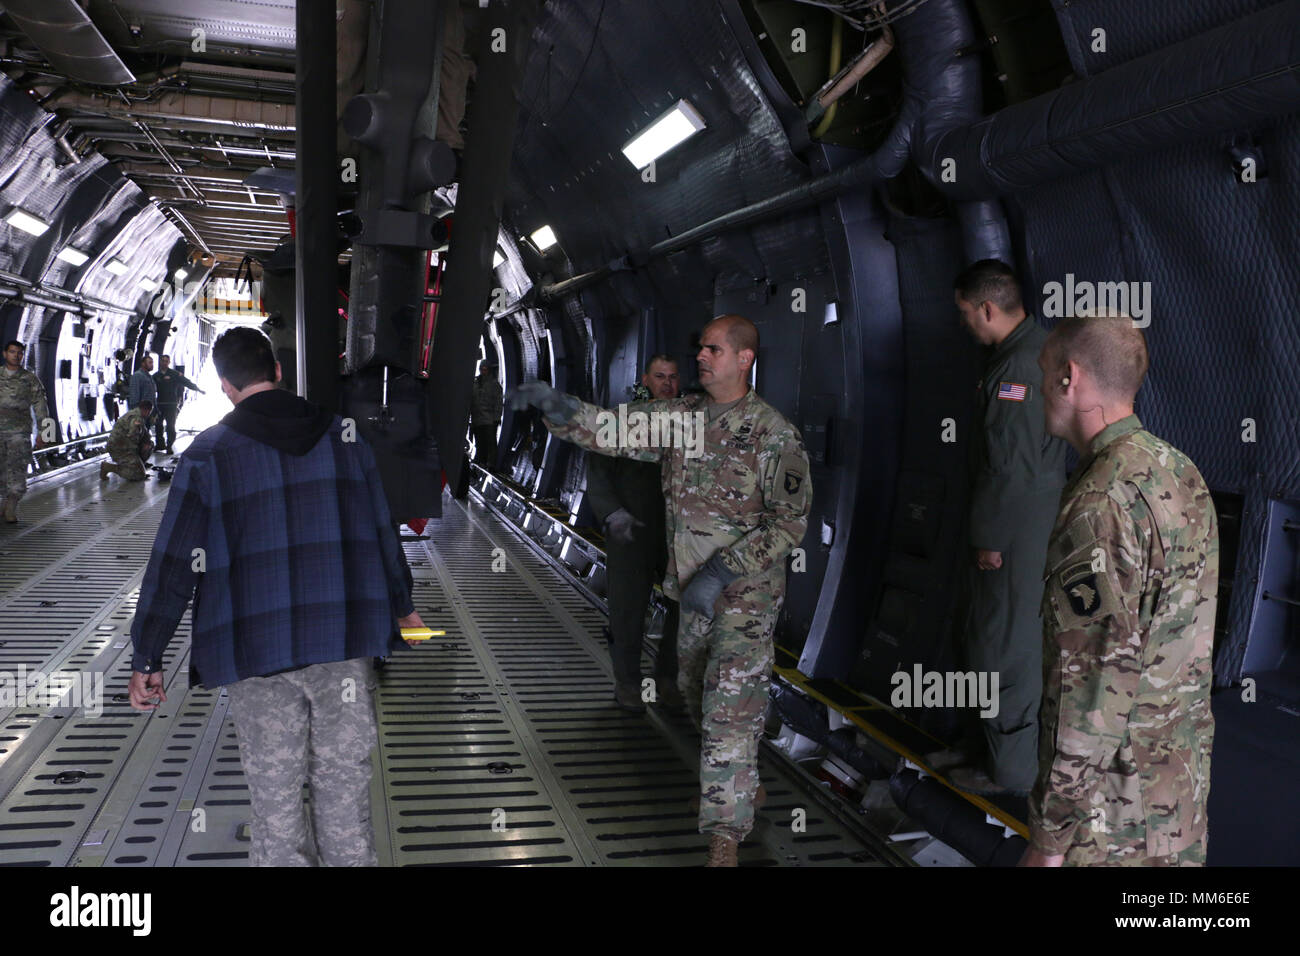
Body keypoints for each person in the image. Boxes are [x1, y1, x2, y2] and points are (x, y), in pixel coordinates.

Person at [511, 315, 811, 867]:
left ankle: (724, 839)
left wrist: (725, 570)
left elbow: (790, 522)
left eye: (713, 349)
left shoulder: (773, 434)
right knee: (701, 701)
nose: (702, 356)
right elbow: (612, 430)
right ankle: (741, 787)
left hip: (743, 601)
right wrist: (557, 405)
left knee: (727, 712)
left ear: (745, 358)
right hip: (691, 597)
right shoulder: (684, 419)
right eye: (700, 346)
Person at [127, 327, 425, 866]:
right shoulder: (345, 437)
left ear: (224, 386)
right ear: (279, 371)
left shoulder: (208, 454)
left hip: (255, 650)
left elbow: (174, 562)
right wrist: (405, 610)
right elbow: (384, 530)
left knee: (275, 804)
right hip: (342, 643)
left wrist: (149, 654)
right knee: (345, 796)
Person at [1020, 314, 1217, 867]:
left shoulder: (1099, 503)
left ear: (1068, 377)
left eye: (1043, 373)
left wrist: (1050, 838)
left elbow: (1092, 687)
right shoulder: (1178, 470)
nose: (1038, 389)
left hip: (1112, 815)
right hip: (1176, 789)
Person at [947, 260, 1069, 794]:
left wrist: (990, 540)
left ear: (987, 309)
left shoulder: (1018, 367)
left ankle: (1013, 774)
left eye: (965, 314)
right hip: (1021, 526)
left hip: (1016, 533)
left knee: (1005, 646)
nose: (964, 324)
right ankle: (985, 747)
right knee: (988, 635)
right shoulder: (1026, 351)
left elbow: (1009, 466)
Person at [585, 355, 682, 712]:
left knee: (682, 610)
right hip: (631, 533)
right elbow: (597, 476)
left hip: (677, 535)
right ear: (646, 379)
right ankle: (627, 683)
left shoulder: (690, 425)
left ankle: (667, 680)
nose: (667, 384)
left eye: (673, 377)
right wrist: (613, 515)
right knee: (627, 611)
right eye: (660, 376)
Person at [0, 340, 51, 523]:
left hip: (19, 432)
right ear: (5, 354)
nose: (16, 355)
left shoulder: (30, 379)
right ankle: (4, 502)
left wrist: (45, 434)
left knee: (18, 468)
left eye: (19, 353)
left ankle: (12, 505)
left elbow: (41, 406)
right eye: (12, 352)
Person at [152, 355, 203, 452]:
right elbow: (150, 389)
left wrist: (197, 389)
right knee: (158, 425)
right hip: (160, 404)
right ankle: (160, 444)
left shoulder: (174, 374)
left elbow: (186, 382)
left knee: (170, 426)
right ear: (160, 362)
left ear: (169, 362)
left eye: (166, 361)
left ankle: (169, 446)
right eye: (162, 361)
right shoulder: (156, 376)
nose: (164, 362)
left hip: (171, 404)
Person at [100, 400, 155, 481]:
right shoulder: (136, 418)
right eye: (149, 412)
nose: (149, 414)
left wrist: (146, 443)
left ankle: (137, 466)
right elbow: (132, 438)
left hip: (124, 446)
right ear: (146, 410)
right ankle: (108, 467)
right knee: (139, 475)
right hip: (119, 448)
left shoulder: (138, 415)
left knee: (149, 444)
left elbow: (145, 435)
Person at [470, 361, 503, 469]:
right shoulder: (474, 383)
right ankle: (481, 461)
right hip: (477, 419)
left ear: (489, 370)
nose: (483, 371)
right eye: (481, 369)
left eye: (485, 369)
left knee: (490, 443)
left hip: (489, 420)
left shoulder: (494, 385)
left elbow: (498, 402)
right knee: (480, 442)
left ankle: (491, 464)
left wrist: (497, 418)